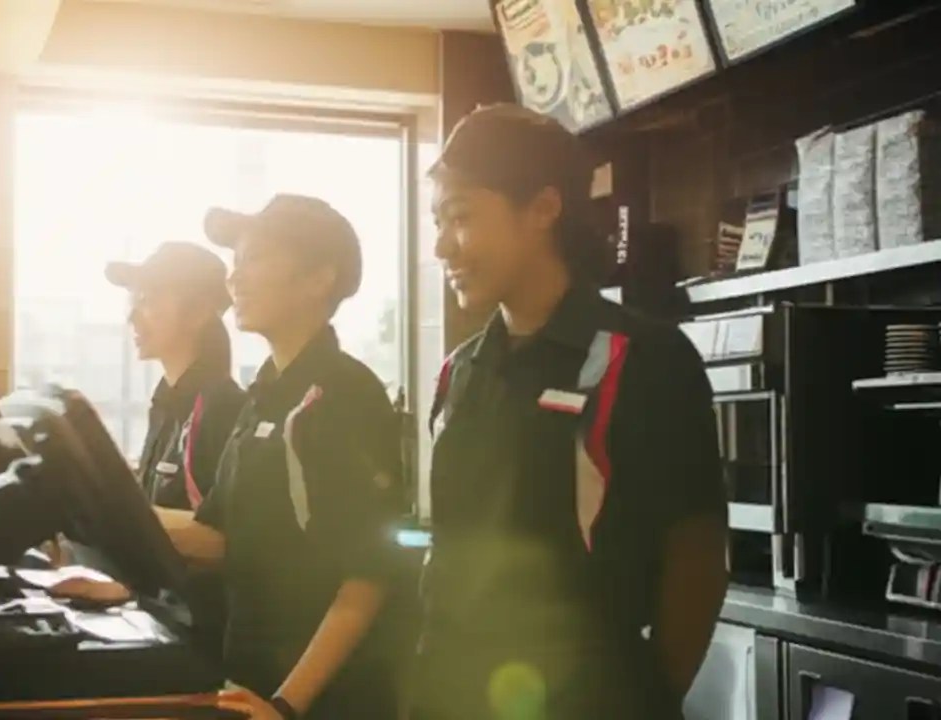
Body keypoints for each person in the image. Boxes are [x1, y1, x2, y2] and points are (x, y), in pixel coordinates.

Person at [410, 104, 727, 720]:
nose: (443, 244)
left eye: (462, 216)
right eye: (437, 222)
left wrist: (650, 700)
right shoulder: (459, 371)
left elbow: (697, 554)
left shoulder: (645, 358)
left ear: (543, 208)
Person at [156, 195, 404, 720]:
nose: (235, 278)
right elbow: (219, 535)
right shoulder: (264, 394)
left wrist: (287, 704)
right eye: (235, 261)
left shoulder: (343, 393)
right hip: (250, 684)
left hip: (316, 700)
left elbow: (369, 572)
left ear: (318, 279)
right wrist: (98, 517)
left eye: (255, 258)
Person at [101, 241, 247, 656]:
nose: (133, 315)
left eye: (147, 301)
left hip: (199, 639)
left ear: (200, 313)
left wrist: (107, 510)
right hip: (152, 619)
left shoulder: (223, 407)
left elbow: (225, 541)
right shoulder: (165, 405)